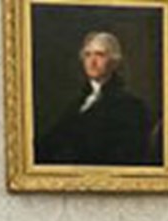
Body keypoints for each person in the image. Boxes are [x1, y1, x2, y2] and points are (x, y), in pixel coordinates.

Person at [35, 31, 161, 167]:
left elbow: (125, 157)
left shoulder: (131, 107)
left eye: (100, 55)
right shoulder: (77, 103)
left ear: (114, 61)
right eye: (87, 55)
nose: (92, 62)